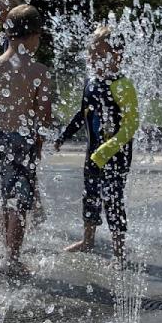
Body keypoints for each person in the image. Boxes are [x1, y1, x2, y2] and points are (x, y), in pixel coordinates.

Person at [0, 4, 53, 276]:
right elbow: (44, 116)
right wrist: (38, 146)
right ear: (32, 36)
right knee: (20, 202)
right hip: (23, 142)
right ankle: (13, 259)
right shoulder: (38, 71)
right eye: (39, 37)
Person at [55, 26, 139, 261]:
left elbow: (131, 126)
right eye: (91, 53)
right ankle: (88, 239)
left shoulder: (123, 86)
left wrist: (107, 149)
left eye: (99, 54)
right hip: (93, 153)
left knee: (113, 199)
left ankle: (119, 251)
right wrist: (65, 135)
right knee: (90, 195)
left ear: (118, 55)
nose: (93, 59)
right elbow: (82, 113)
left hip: (116, 155)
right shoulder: (90, 82)